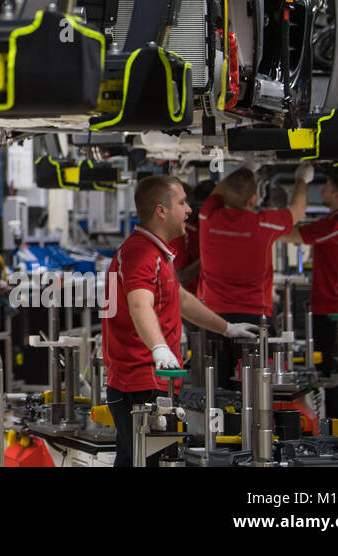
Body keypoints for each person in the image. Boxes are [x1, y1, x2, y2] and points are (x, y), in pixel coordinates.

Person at [102, 175, 257, 467]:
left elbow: (182, 300)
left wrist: (227, 328)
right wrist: (159, 348)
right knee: (143, 462)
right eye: (182, 202)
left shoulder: (157, 253)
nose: (189, 210)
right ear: (161, 210)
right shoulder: (140, 253)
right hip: (139, 384)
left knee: (134, 461)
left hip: (148, 380)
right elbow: (139, 304)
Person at [197, 163, 311, 384]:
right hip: (254, 317)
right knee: (254, 387)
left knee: (216, 387)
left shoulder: (208, 216)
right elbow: (297, 211)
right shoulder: (264, 223)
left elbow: (219, 192)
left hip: (213, 317)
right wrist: (302, 179)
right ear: (253, 199)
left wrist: (244, 168)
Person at [281, 170, 338, 379]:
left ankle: (336, 411)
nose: (322, 191)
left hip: (332, 312)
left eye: (326, 187)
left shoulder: (335, 226)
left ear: (336, 196)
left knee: (330, 374)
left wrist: (262, 226)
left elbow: (290, 235)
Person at [170, 179, 214, 296]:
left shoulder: (200, 223)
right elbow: (182, 276)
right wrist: (211, 257)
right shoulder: (178, 233)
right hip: (193, 300)